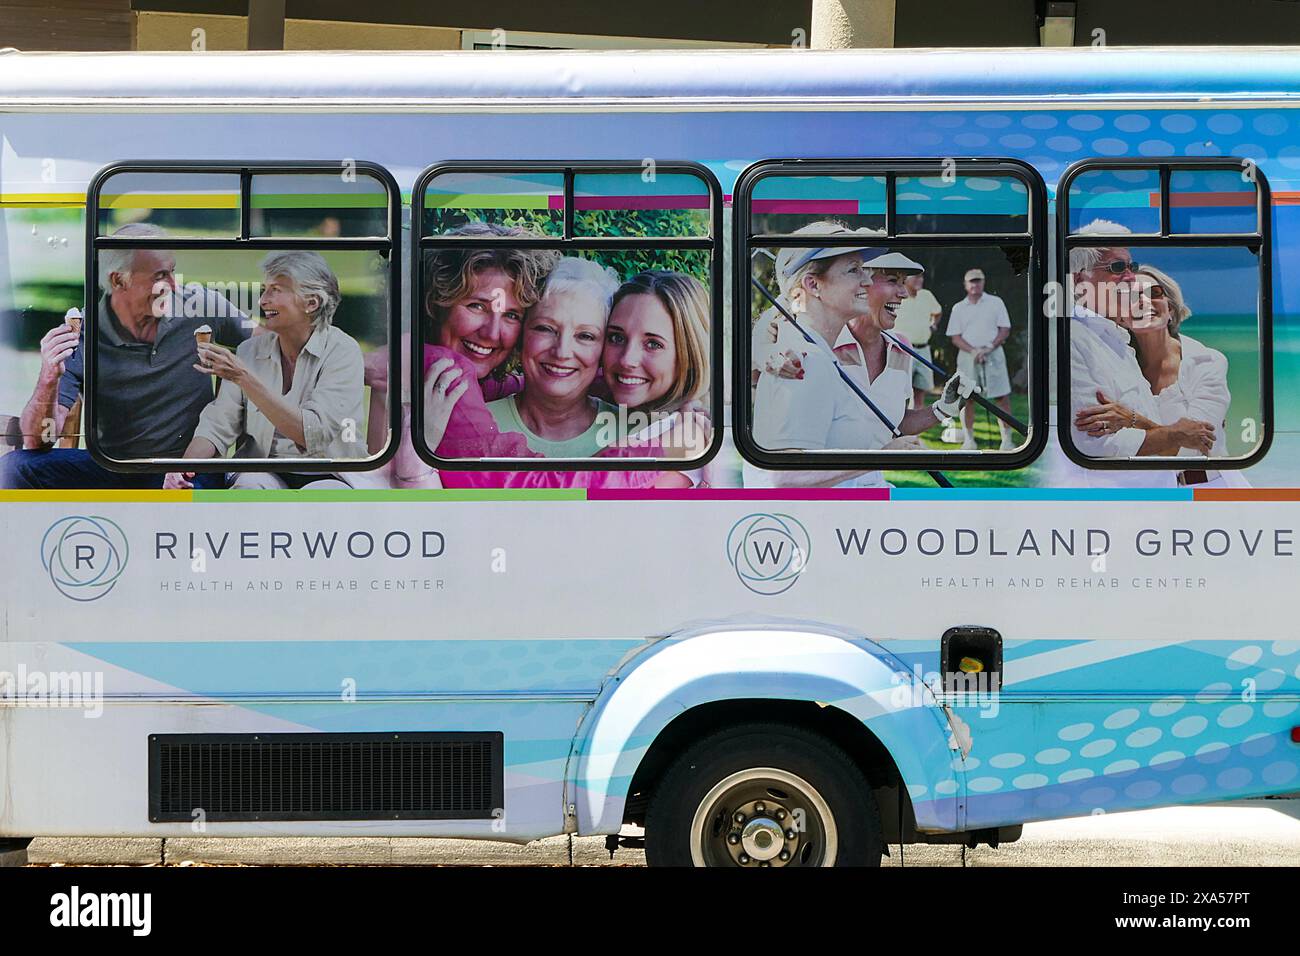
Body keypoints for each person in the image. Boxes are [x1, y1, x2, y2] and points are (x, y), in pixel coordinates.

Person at [1, 223, 249, 489]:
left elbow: (271, 345)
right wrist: (48, 378)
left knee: (185, 495)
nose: (173, 286)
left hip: (189, 467)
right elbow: (40, 440)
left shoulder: (200, 305)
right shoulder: (83, 333)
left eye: (172, 271)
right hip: (113, 467)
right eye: (160, 276)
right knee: (15, 469)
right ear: (119, 280)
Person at [746, 221, 968, 489]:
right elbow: (780, 478)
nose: (866, 280)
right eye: (854, 271)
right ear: (813, 285)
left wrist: (941, 410)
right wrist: (881, 457)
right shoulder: (803, 360)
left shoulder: (818, 356)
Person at [362, 223, 561, 488]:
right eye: (476, 306)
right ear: (435, 303)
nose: (492, 333)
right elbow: (519, 481)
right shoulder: (447, 370)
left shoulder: (413, 355)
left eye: (512, 315)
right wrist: (629, 461)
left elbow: (512, 386)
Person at [164, 251, 365, 490]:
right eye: (264, 289)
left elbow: (312, 434)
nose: (262, 301)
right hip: (261, 469)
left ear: (311, 303)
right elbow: (217, 425)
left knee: (325, 494)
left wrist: (243, 377)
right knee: (249, 486)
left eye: (276, 290)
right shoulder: (249, 350)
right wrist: (182, 468)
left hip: (330, 473)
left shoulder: (343, 351)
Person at [1064, 220, 1213, 484]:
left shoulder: (1117, 341)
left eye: (1131, 266)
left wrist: (1133, 420)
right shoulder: (1072, 339)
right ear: (1079, 280)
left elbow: (1198, 438)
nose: (1131, 276)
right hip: (1123, 510)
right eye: (1117, 267)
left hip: (1157, 502)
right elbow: (1095, 445)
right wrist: (1175, 434)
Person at [1073, 265, 1247, 488]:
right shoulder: (1117, 364)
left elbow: (1192, 446)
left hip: (1208, 489)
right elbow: (1109, 440)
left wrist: (1131, 419)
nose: (1144, 302)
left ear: (1171, 309)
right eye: (1131, 297)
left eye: (1155, 293)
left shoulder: (1207, 361)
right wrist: (1173, 434)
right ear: (1120, 316)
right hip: (1148, 492)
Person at [946, 268, 1016, 451]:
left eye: (978, 280)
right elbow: (955, 337)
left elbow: (1004, 329)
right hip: (968, 357)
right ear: (965, 284)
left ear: (983, 282)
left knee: (1001, 397)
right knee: (967, 398)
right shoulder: (958, 307)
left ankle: (1007, 441)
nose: (975, 284)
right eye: (972, 281)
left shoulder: (995, 302)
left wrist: (988, 348)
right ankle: (969, 440)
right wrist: (974, 351)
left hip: (994, 355)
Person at [892, 271, 944, 409]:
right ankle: (900, 430)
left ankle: (915, 431)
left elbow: (938, 312)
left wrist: (933, 324)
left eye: (921, 276)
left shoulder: (926, 295)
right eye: (915, 276)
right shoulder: (897, 295)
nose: (919, 279)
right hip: (903, 351)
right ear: (905, 279)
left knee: (920, 394)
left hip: (923, 349)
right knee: (902, 395)